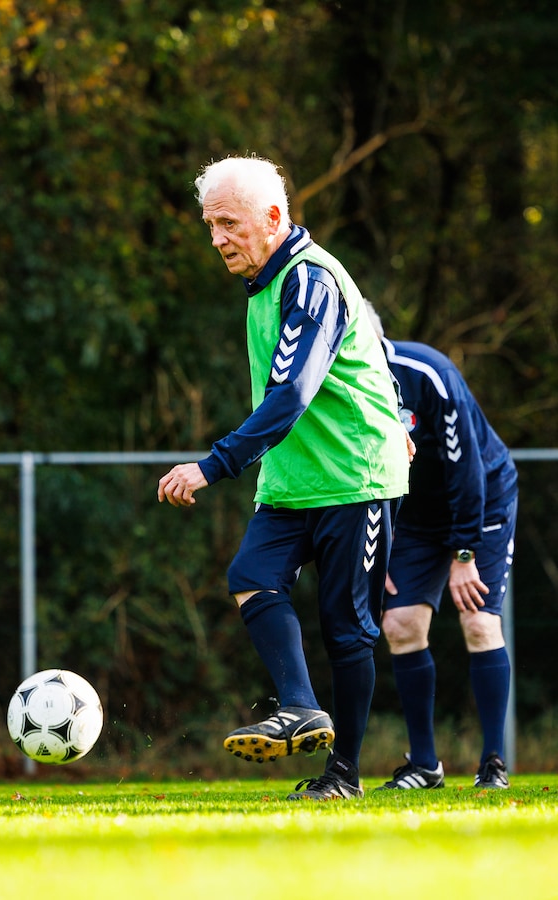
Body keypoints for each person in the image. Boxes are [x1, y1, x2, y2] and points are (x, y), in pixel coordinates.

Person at [158, 155, 409, 800]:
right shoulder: (267, 282)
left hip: (355, 476)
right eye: (210, 224)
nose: (216, 238)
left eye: (228, 223)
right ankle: (301, 707)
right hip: (293, 477)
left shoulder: (310, 279)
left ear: (273, 218)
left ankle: (343, 775)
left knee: (346, 627)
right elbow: (369, 348)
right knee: (251, 576)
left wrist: (214, 465)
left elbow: (291, 392)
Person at [365, 301, 518, 790]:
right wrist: (382, 541)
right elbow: (362, 475)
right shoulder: (339, 386)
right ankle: (425, 765)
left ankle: (493, 762)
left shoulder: (428, 372)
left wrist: (464, 554)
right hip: (414, 517)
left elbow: (466, 466)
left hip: (482, 500)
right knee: (400, 623)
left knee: (478, 622)